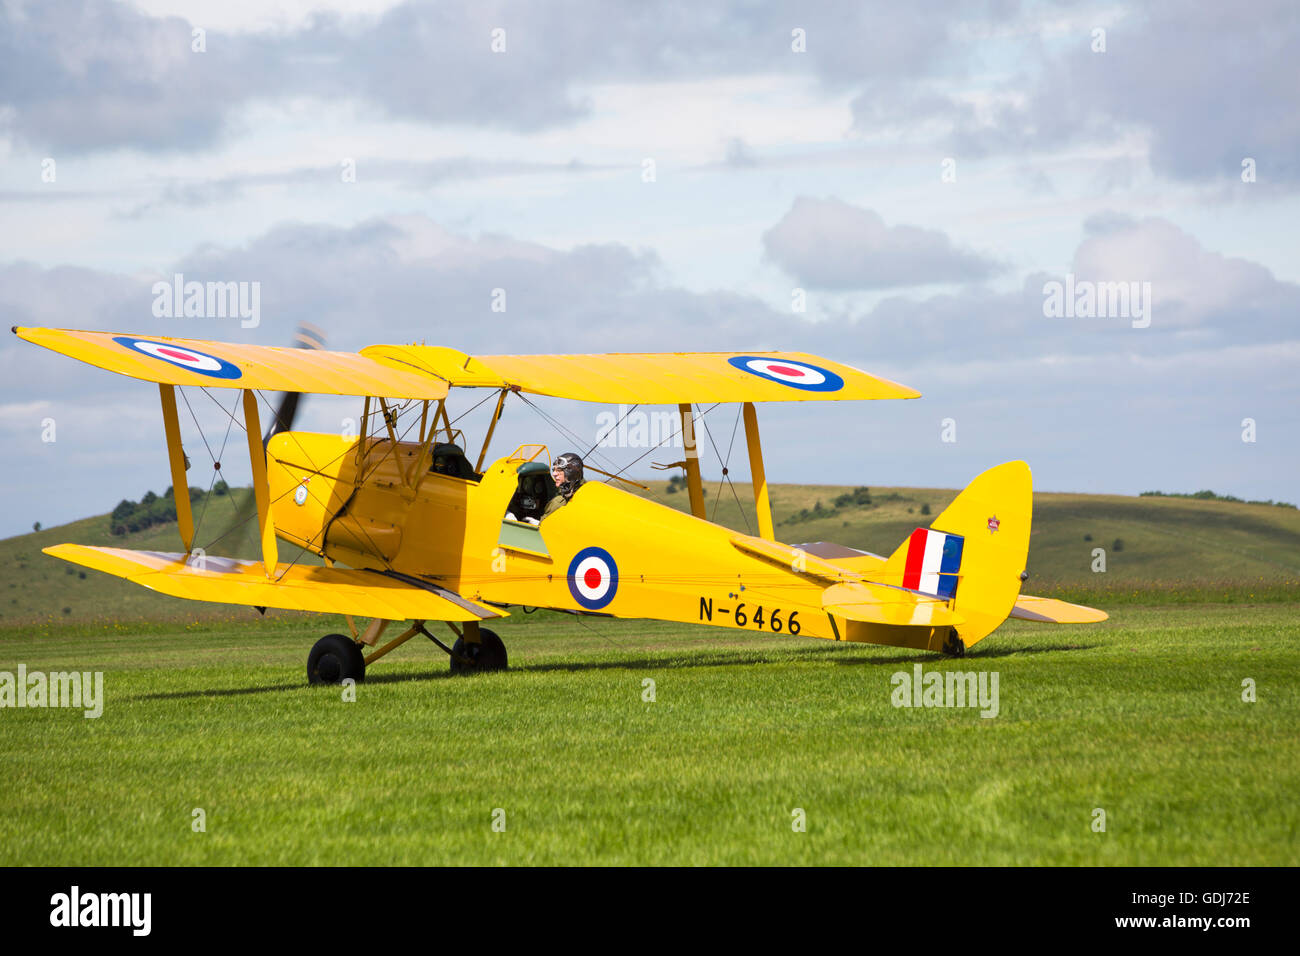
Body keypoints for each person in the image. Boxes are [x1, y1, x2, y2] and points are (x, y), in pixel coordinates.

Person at [543, 452, 585, 517]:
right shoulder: (587, 491)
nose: (554, 474)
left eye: (559, 470)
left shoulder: (557, 503)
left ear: (571, 472)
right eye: (554, 470)